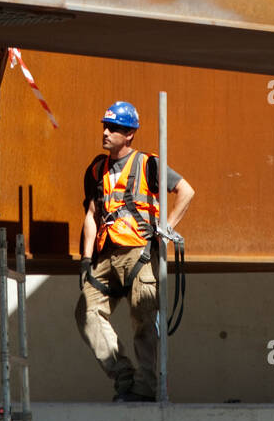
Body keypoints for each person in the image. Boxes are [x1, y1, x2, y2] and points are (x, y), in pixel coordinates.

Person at [75, 101, 194, 401]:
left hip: (139, 254)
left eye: (113, 128)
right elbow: (91, 214)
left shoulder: (147, 164)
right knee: (86, 312)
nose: (105, 132)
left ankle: (144, 390)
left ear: (129, 134)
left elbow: (186, 191)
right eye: (104, 125)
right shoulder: (96, 169)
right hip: (106, 256)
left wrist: (164, 229)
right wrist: (86, 259)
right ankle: (124, 377)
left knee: (143, 323)